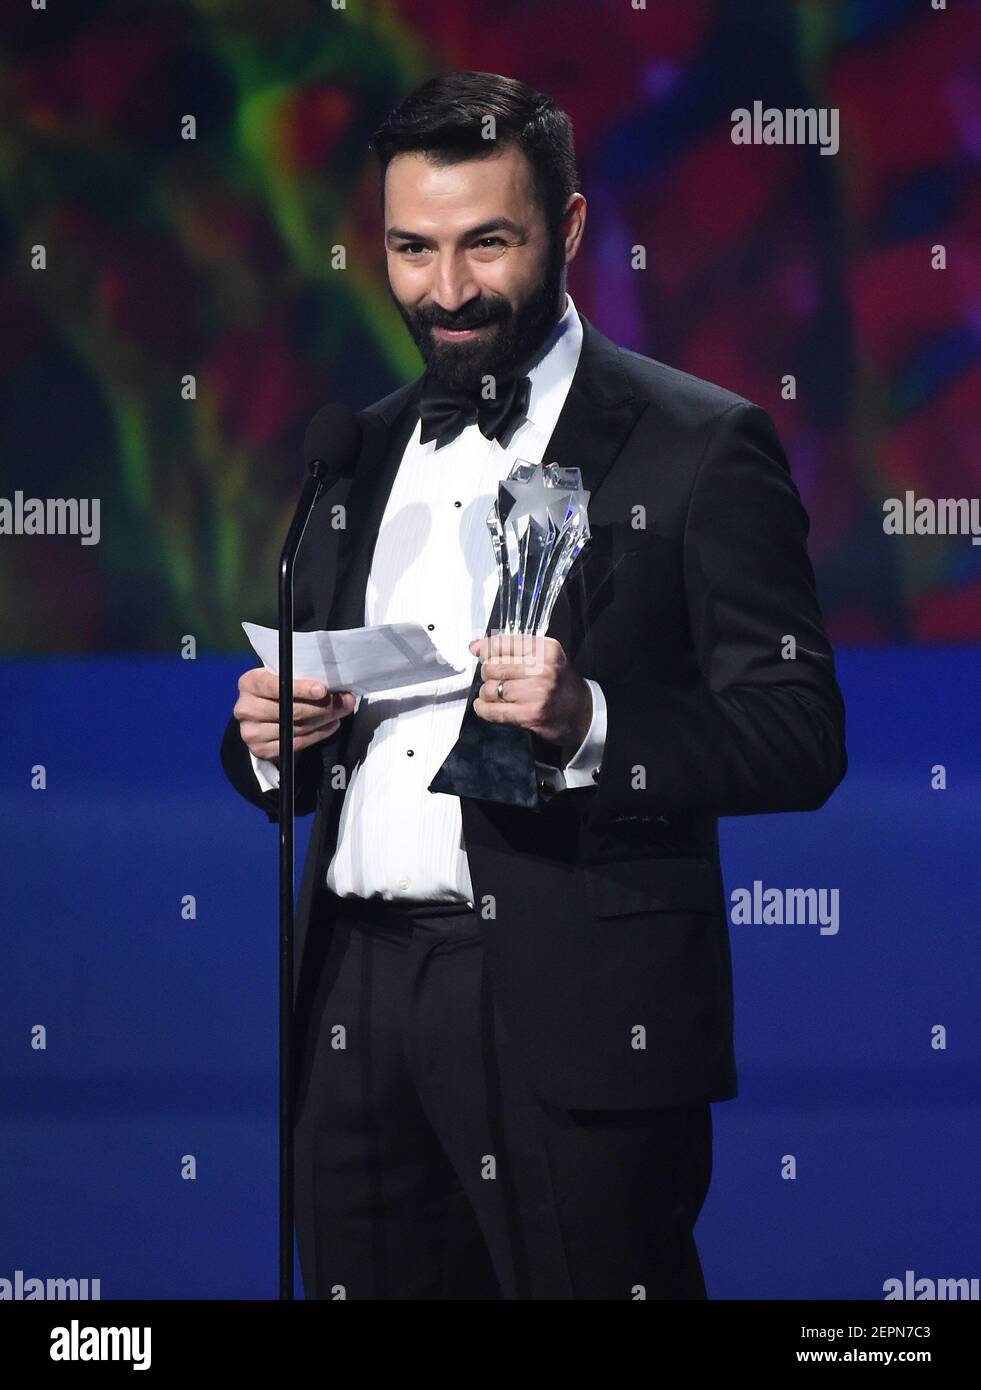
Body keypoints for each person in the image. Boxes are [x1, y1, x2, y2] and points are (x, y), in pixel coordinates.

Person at [220, 70, 847, 1300]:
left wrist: (590, 724)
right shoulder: (358, 451)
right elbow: (299, 734)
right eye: (411, 248)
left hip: (572, 1009)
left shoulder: (698, 444)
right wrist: (266, 738)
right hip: (354, 993)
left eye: (484, 244)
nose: (444, 290)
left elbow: (798, 732)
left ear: (565, 230)